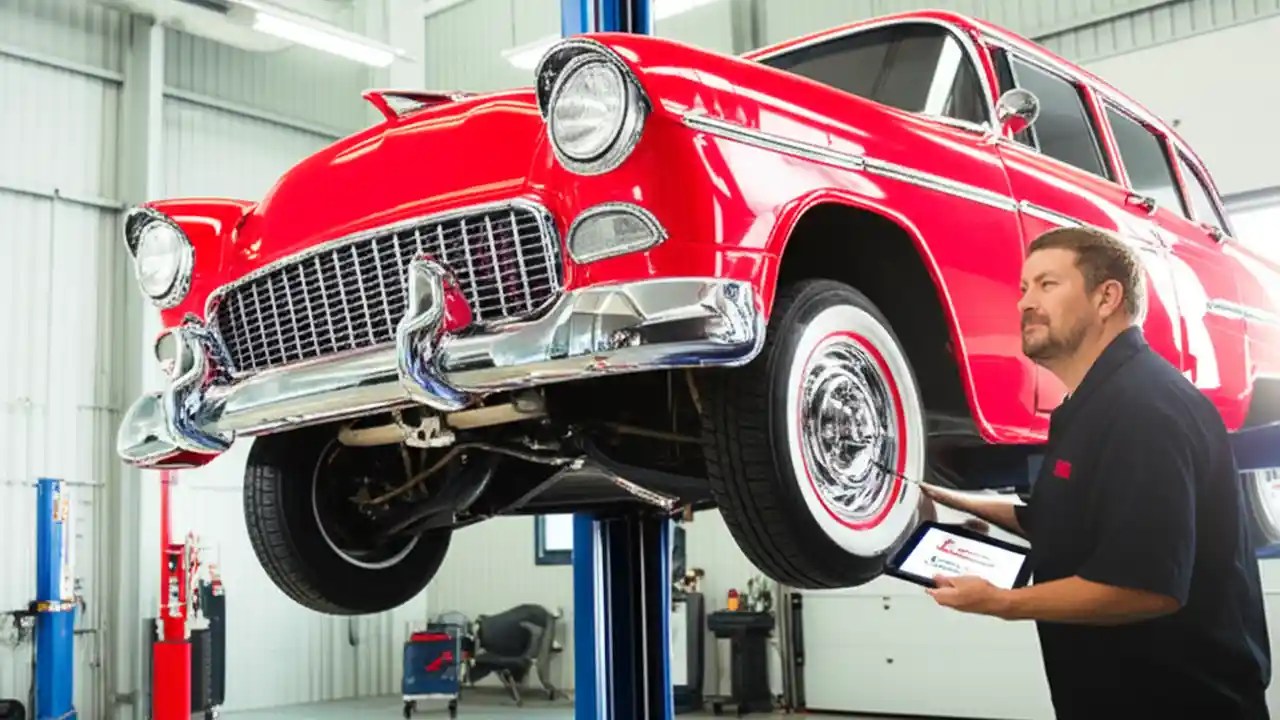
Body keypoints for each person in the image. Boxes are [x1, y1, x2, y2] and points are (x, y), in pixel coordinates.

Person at [921, 226, 1271, 719]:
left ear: (1108, 297)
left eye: (1047, 284)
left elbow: (1146, 589)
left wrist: (1002, 602)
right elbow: (1060, 517)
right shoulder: (1091, 404)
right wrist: (946, 500)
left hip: (1180, 702)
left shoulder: (1146, 408)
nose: (1024, 303)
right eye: (1024, 288)